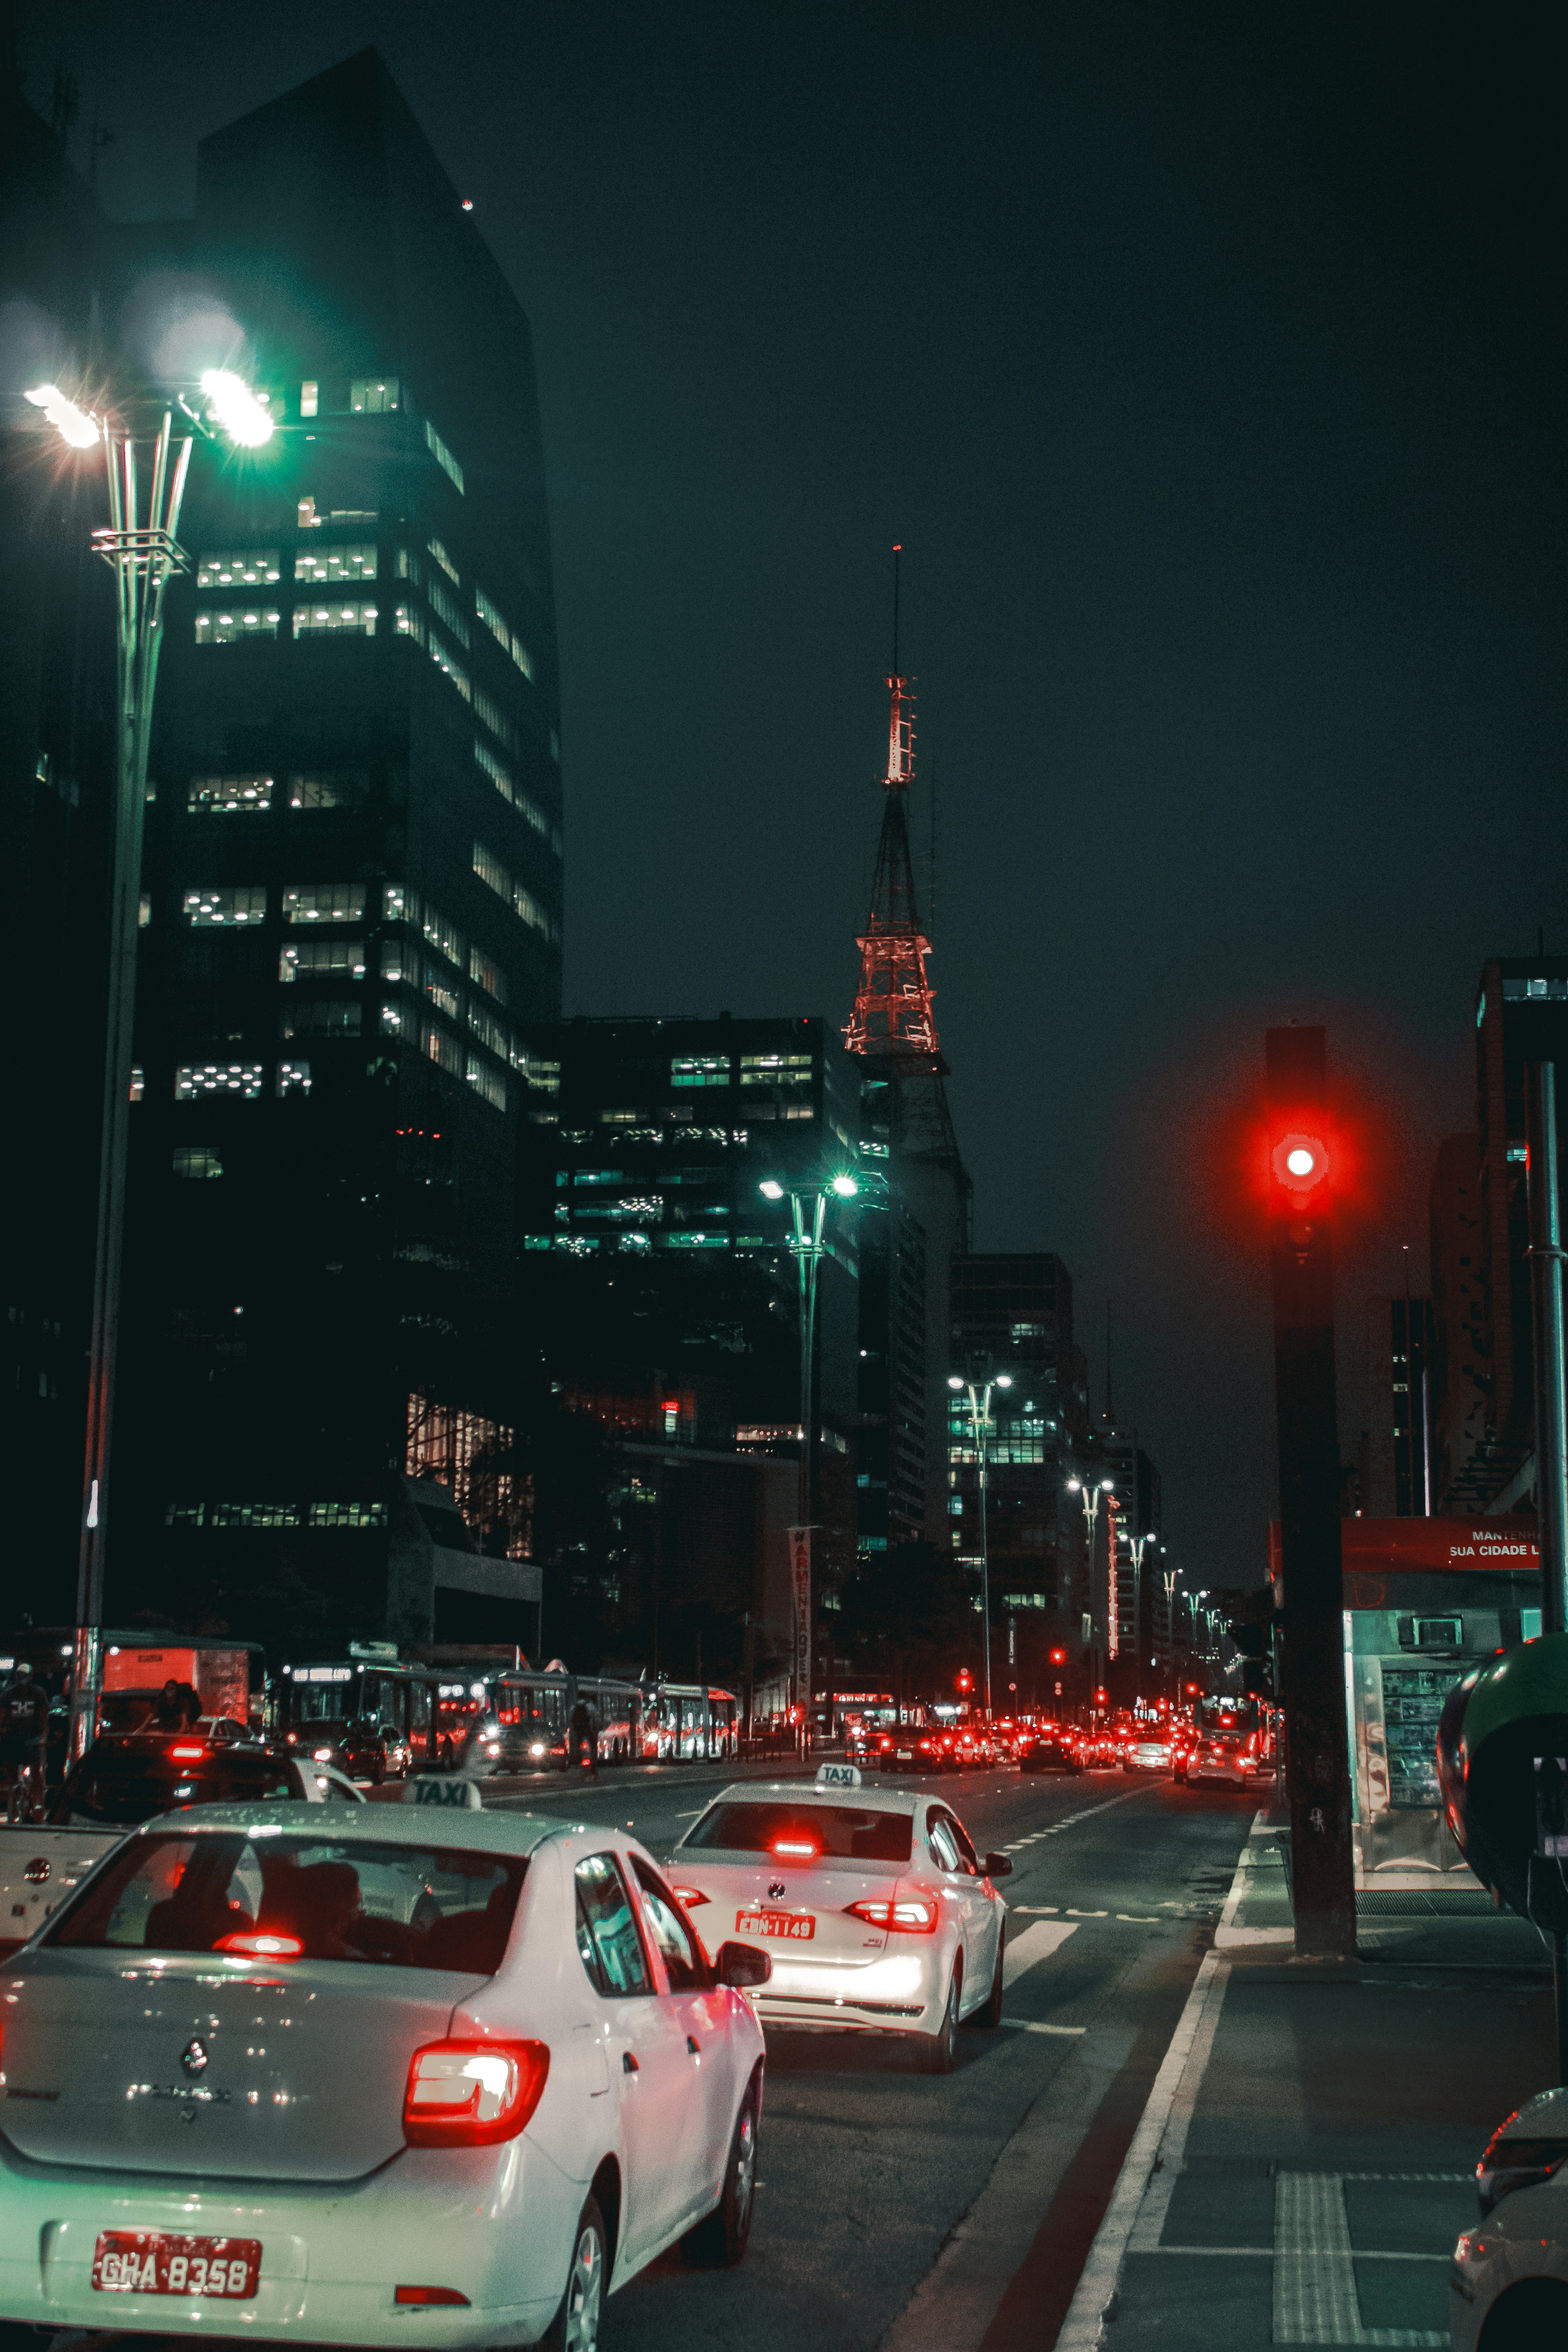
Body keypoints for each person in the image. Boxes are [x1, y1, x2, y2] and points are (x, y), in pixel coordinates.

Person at [0, 1667, 51, 1822]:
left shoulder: (38, 1693)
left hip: (33, 1738)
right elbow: (2, 1714)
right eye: (20, 1675)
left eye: (26, 1675)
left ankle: (38, 1805)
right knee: (11, 1774)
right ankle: (13, 1806)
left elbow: (43, 1716)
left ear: (31, 1676)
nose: (23, 1678)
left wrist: (44, 1736)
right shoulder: (9, 1693)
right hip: (12, 1737)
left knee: (36, 1772)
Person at [568, 1696, 598, 1778]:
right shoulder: (591, 1706)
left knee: (578, 1746)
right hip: (588, 1731)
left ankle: (578, 1761)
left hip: (578, 1732)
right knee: (593, 1747)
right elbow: (595, 1720)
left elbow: (571, 1720)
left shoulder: (573, 1707)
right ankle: (593, 1768)